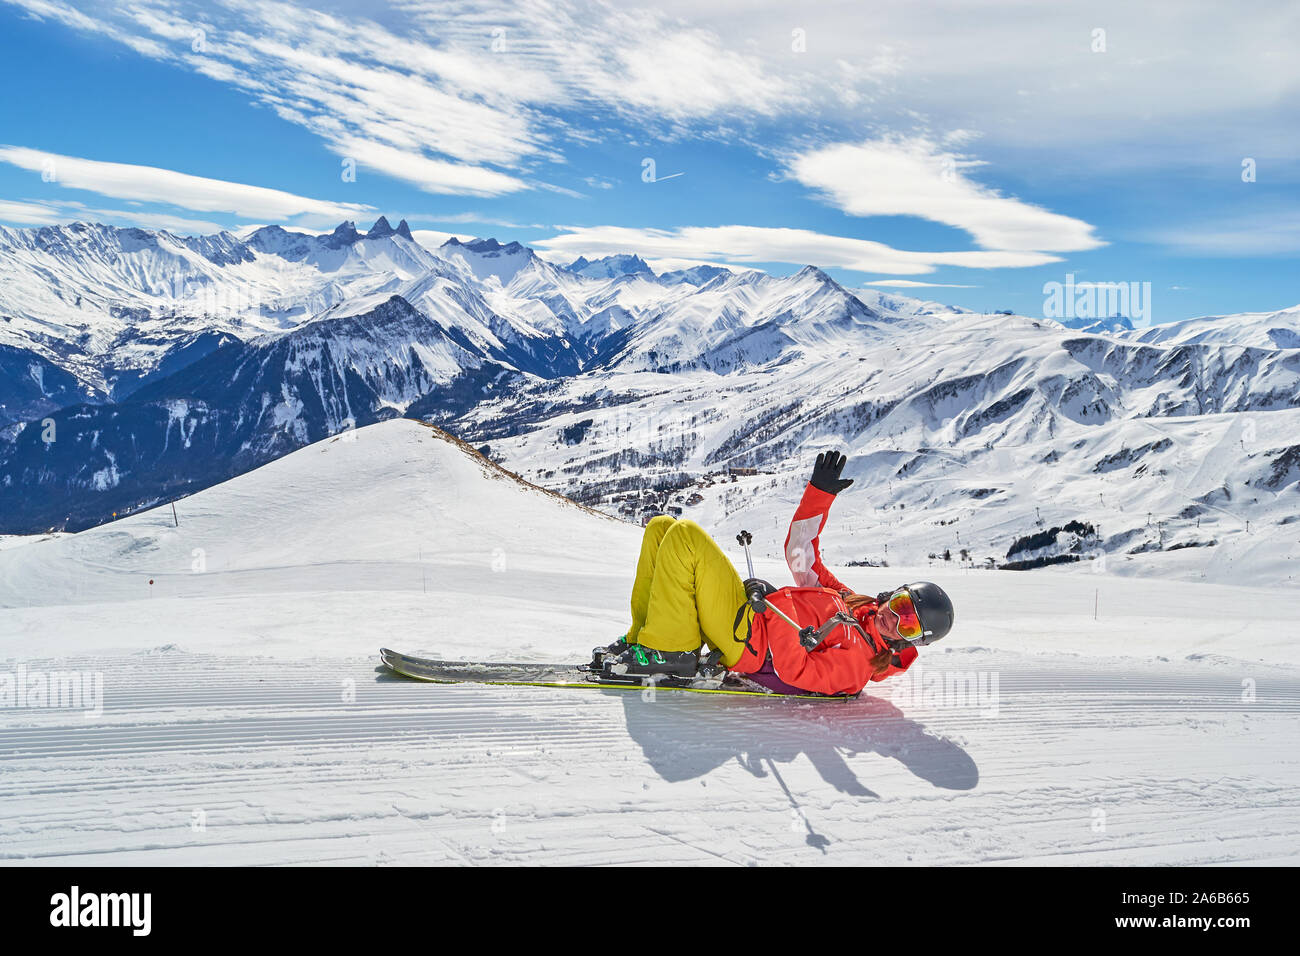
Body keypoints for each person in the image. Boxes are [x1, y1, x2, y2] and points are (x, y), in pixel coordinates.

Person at [599, 450, 954, 696]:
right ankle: (643, 638)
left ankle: (669, 652)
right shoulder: (851, 603)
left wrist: (774, 606)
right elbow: (801, 555)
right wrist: (820, 495)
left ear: (910, 640)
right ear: (893, 594)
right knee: (662, 527)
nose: (894, 618)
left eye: (908, 624)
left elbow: (795, 673)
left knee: (686, 538)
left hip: (750, 647)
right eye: (901, 605)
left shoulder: (858, 666)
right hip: (749, 621)